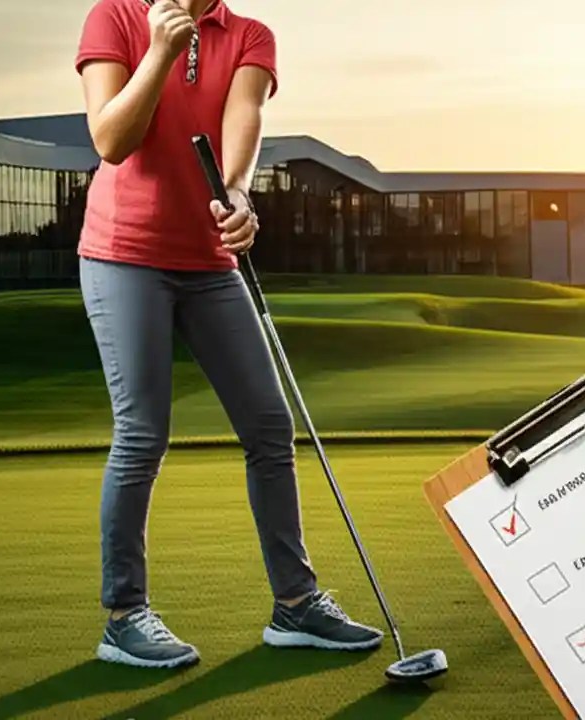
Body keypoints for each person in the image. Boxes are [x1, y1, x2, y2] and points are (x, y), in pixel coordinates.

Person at [73, 0, 383, 668]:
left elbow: (241, 125)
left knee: (270, 428)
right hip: (123, 255)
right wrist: (159, 50)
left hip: (211, 265)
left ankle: (295, 605)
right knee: (142, 432)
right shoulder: (115, 18)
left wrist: (240, 196)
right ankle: (124, 617)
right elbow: (111, 141)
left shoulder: (248, 35)